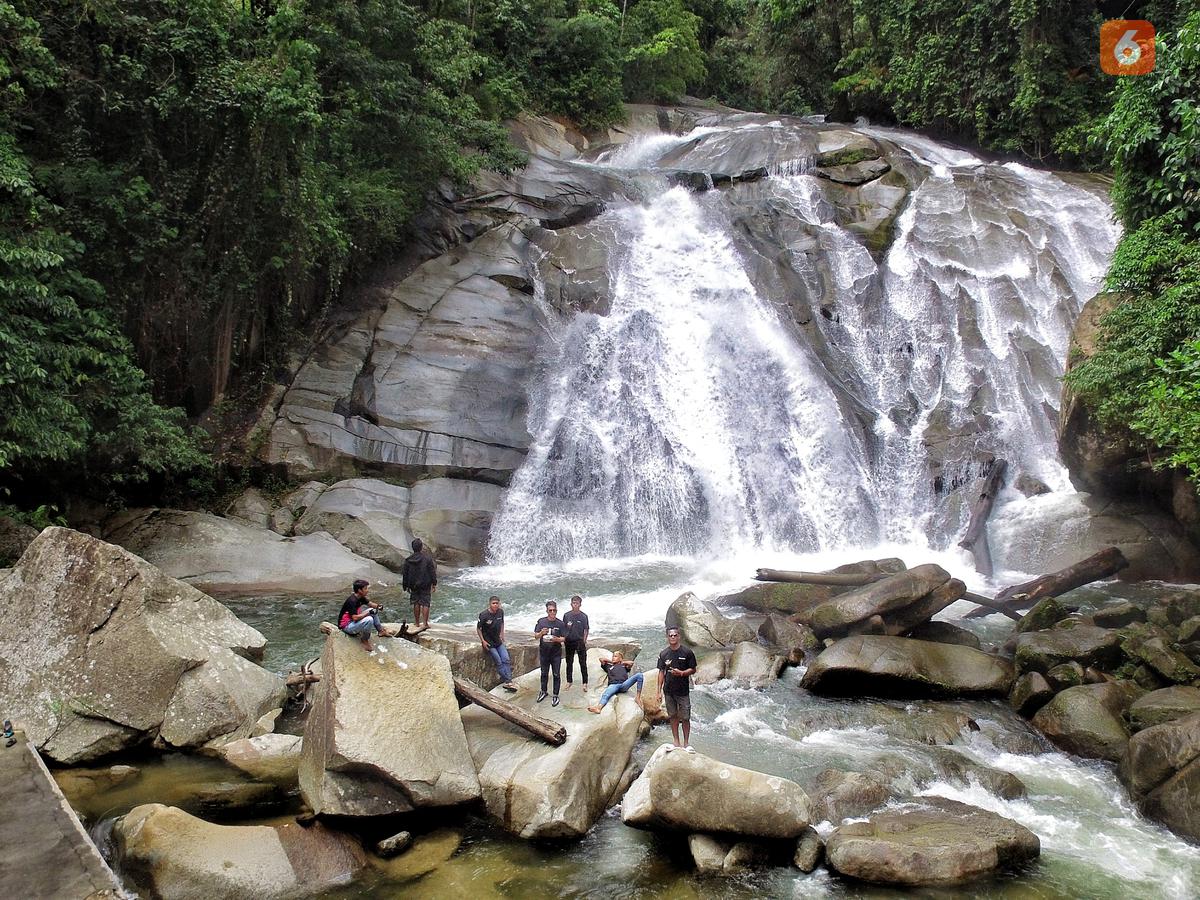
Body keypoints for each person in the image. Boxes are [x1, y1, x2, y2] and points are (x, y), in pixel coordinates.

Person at [656, 626, 697, 752]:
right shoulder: (664, 654)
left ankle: (686, 744)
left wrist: (682, 673)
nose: (673, 637)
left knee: (685, 717)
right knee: (673, 716)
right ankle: (676, 742)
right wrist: (658, 691)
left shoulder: (687, 652)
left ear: (679, 636)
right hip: (668, 690)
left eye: (675, 635)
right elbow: (661, 672)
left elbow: (693, 669)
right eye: (670, 635)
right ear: (667, 637)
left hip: (683, 691)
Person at [338, 579, 394, 651]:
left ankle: (381, 631)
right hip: (346, 626)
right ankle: (364, 640)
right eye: (365, 588)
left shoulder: (360, 597)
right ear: (359, 590)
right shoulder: (352, 601)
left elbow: (370, 604)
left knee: (373, 610)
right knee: (369, 620)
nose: (367, 590)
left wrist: (378, 606)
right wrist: (368, 613)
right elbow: (355, 618)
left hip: (353, 622)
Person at [477, 595, 517, 691]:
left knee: (506, 659)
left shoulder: (500, 612)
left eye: (497, 603)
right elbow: (478, 628)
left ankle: (509, 681)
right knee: (498, 661)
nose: (495, 605)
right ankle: (508, 681)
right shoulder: (483, 615)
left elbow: (502, 623)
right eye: (493, 603)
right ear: (489, 604)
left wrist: (502, 634)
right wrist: (483, 641)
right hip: (489, 642)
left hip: (498, 641)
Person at [533, 600, 566, 706]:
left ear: (556, 611)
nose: (552, 612)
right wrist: (541, 633)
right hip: (544, 652)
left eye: (554, 610)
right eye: (550, 610)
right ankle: (543, 691)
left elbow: (564, 638)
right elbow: (536, 636)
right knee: (544, 673)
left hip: (556, 653)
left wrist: (557, 639)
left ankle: (555, 695)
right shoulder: (541, 621)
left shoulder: (560, 623)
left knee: (556, 674)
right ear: (547, 611)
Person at [401, 538, 438, 631]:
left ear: (412, 548)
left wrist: (405, 586)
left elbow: (405, 574)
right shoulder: (427, 559)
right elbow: (432, 572)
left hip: (413, 584)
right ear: (421, 547)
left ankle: (417, 623)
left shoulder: (408, 560)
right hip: (425, 583)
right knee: (426, 603)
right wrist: (434, 583)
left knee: (416, 602)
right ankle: (425, 623)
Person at [562, 594, 590, 693]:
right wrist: (564, 638)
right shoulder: (566, 615)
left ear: (580, 604)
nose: (575, 605)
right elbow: (563, 628)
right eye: (573, 603)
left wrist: (584, 640)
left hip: (579, 642)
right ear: (571, 604)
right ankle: (569, 681)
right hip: (569, 642)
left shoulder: (583, 616)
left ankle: (585, 682)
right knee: (569, 662)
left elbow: (586, 629)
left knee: (583, 663)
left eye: (577, 603)